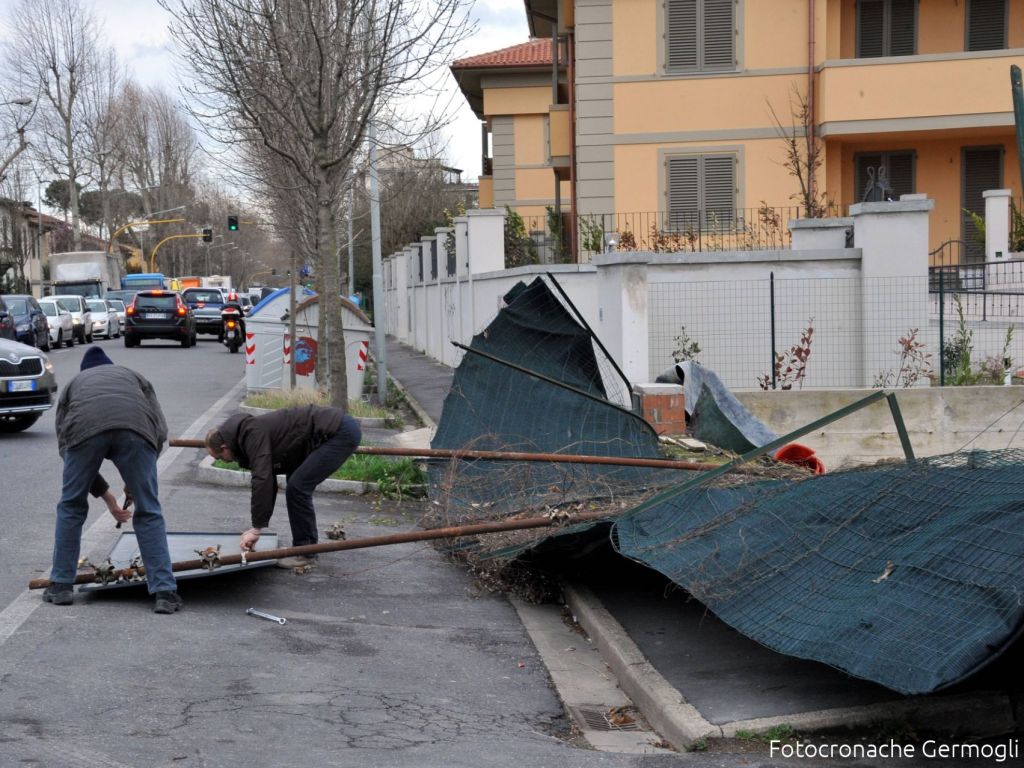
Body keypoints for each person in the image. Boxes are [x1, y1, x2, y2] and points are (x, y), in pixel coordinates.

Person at [44, 346, 181, 614]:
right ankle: (165, 591)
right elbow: (159, 430)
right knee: (149, 509)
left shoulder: (75, 385)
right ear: (111, 366)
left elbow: (67, 447)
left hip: (84, 431)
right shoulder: (134, 377)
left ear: (87, 373)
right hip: (136, 430)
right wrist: (140, 476)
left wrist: (105, 492)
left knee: (71, 506)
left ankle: (60, 586)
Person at [205, 405, 362, 569]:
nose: (224, 461)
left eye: (220, 457)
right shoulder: (243, 436)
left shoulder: (251, 434)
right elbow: (269, 479)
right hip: (328, 432)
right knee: (295, 483)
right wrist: (258, 526)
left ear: (224, 447)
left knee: (298, 487)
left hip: (338, 432)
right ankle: (304, 548)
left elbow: (262, 479)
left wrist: (256, 528)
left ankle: (305, 553)